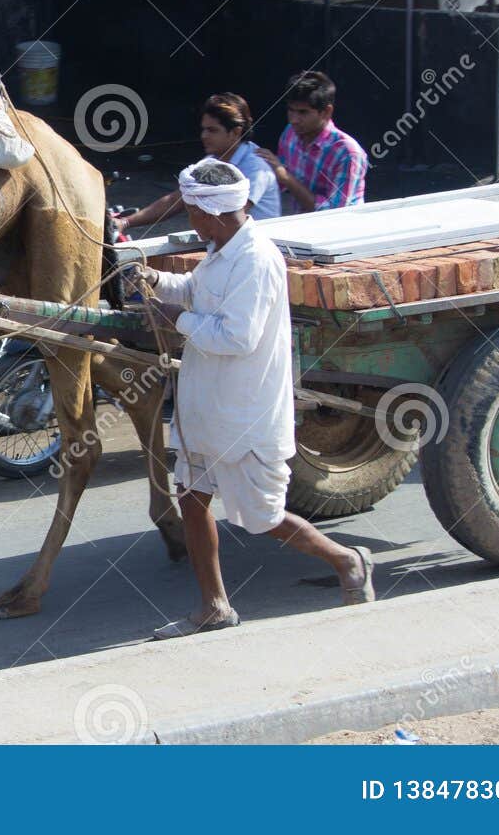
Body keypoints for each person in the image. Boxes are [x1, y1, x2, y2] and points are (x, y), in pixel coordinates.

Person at [138, 158, 374, 638]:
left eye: (192, 211)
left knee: (262, 518)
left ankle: (346, 560)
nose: (189, 219)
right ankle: (214, 606)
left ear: (216, 212)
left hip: (244, 414)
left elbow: (237, 337)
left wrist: (173, 320)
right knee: (192, 496)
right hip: (206, 406)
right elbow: (198, 292)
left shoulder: (257, 259)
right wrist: (160, 283)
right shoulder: (221, 248)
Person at [115, 93, 279, 235]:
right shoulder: (211, 160)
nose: (204, 136)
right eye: (204, 129)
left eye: (212, 130)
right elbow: (176, 199)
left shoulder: (257, 167)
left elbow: (229, 217)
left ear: (236, 132)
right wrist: (125, 222)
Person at [257, 70, 367, 212]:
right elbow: (280, 183)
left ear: (327, 112)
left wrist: (285, 177)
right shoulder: (289, 133)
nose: (294, 120)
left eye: (303, 112)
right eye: (291, 110)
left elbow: (335, 213)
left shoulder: (348, 153)